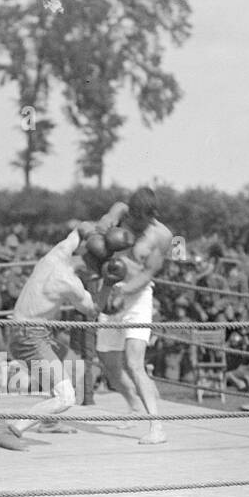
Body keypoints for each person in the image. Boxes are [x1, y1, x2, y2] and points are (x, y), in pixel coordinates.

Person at [0, 209, 122, 452]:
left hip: (30, 331)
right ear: (93, 271)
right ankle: (13, 430)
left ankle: (49, 422)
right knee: (66, 398)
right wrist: (108, 283)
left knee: (74, 363)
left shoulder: (58, 253)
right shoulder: (70, 283)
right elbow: (94, 310)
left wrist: (97, 232)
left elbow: (82, 226)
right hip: (29, 337)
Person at [96, 187, 175, 446]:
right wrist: (105, 225)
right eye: (133, 216)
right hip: (110, 293)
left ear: (151, 215)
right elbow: (103, 226)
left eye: (141, 218)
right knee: (108, 361)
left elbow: (147, 273)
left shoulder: (161, 236)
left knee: (134, 363)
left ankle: (157, 427)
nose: (136, 222)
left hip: (137, 298)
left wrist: (124, 291)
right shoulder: (121, 211)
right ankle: (133, 407)